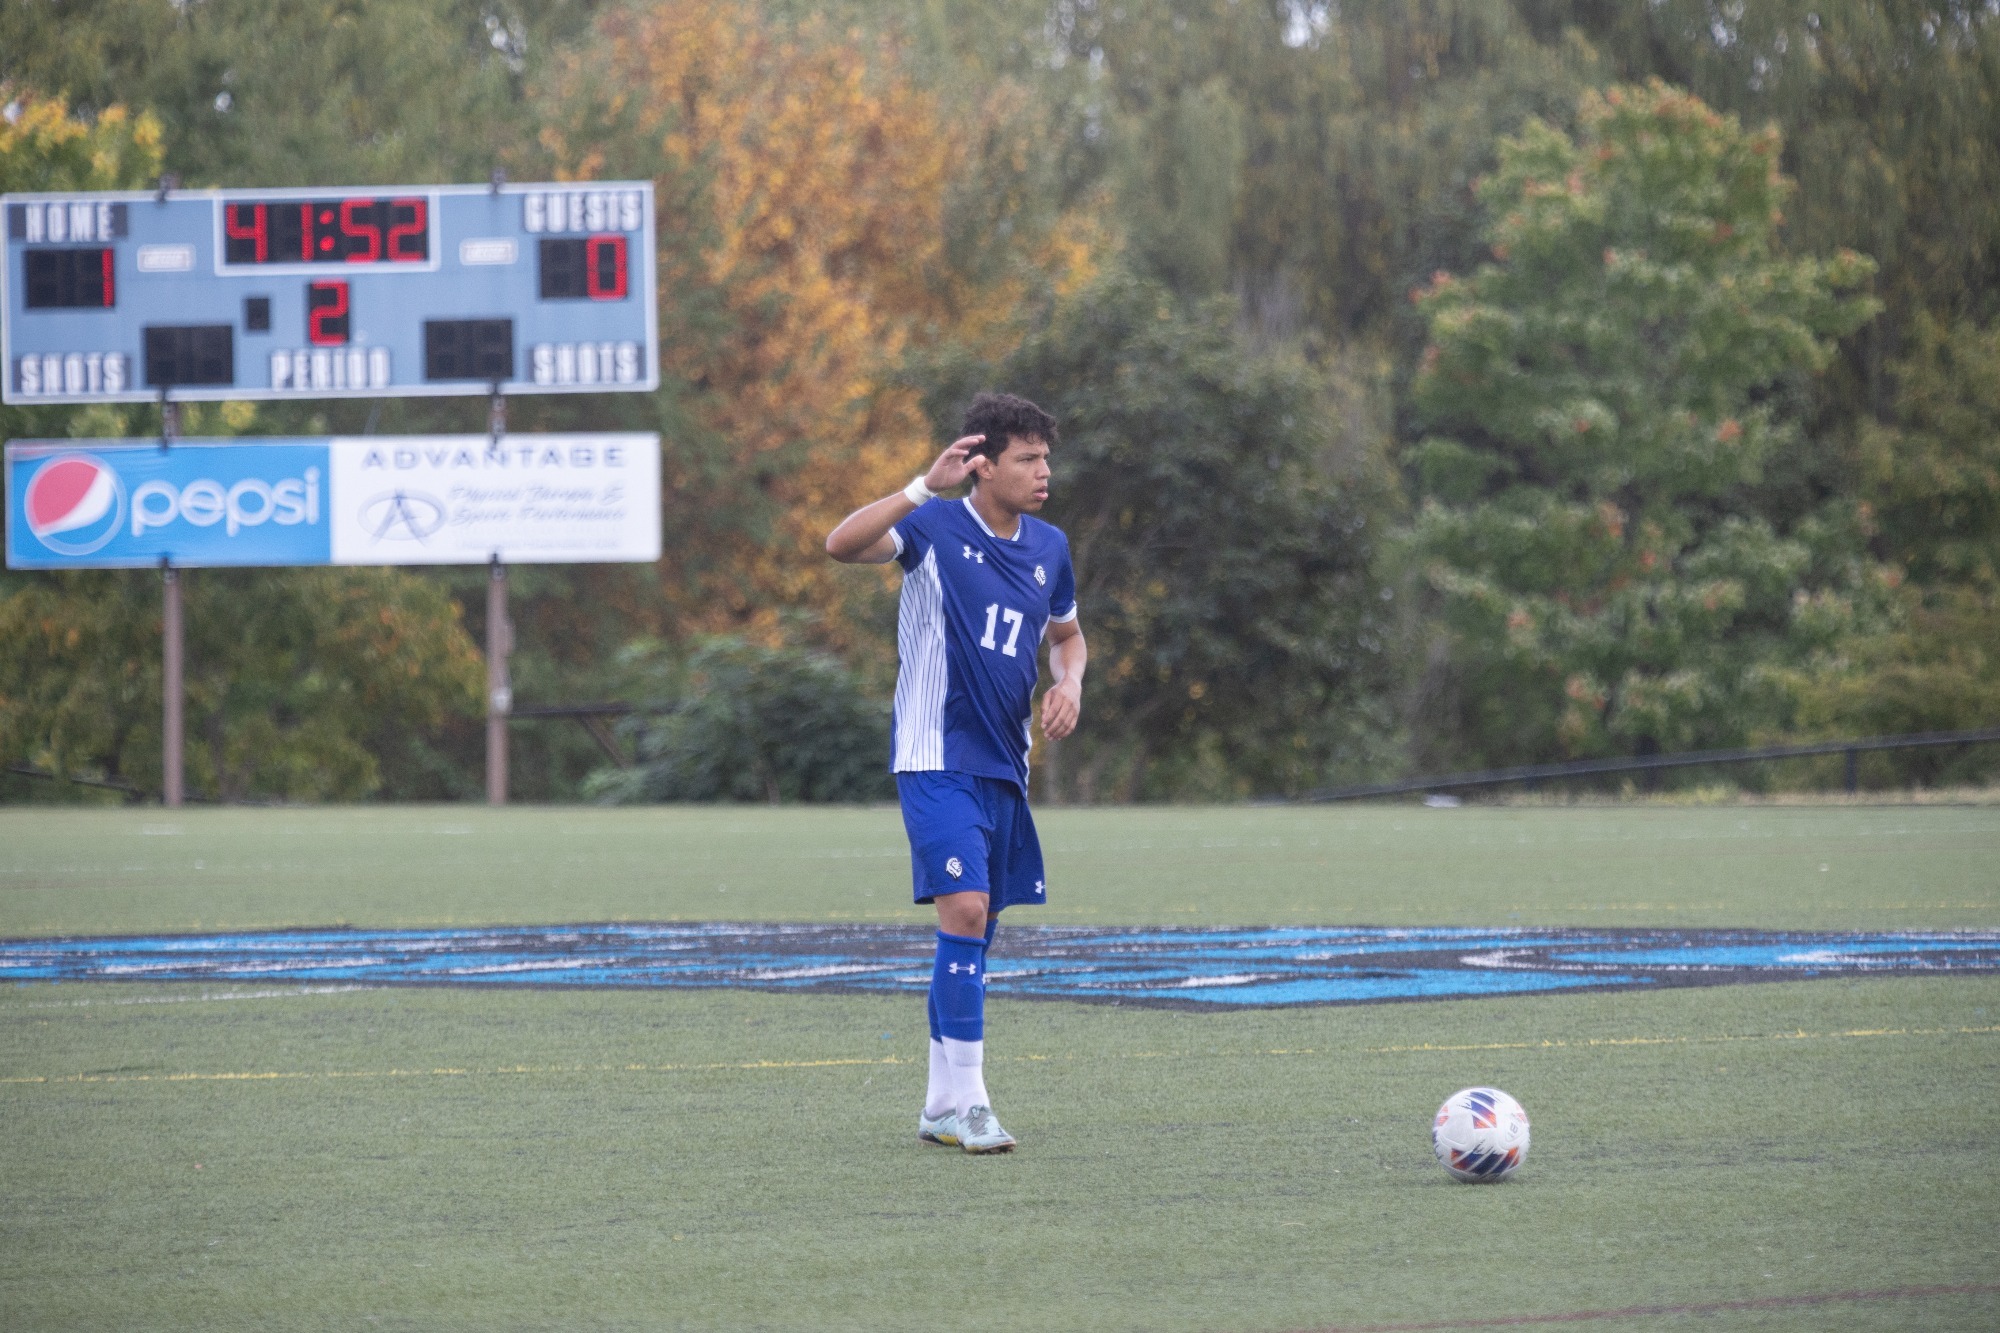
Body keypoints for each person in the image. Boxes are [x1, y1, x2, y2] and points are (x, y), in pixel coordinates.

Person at [824, 392, 1087, 1154]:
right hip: (933, 756)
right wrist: (918, 487)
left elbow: (1068, 638)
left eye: (1046, 457)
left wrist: (1068, 682)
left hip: (1006, 767)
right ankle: (971, 1104)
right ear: (984, 464)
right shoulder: (935, 527)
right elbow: (841, 544)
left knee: (973, 933)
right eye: (1028, 459)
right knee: (966, 910)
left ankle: (941, 1101)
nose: (1044, 471)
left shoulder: (1050, 546)